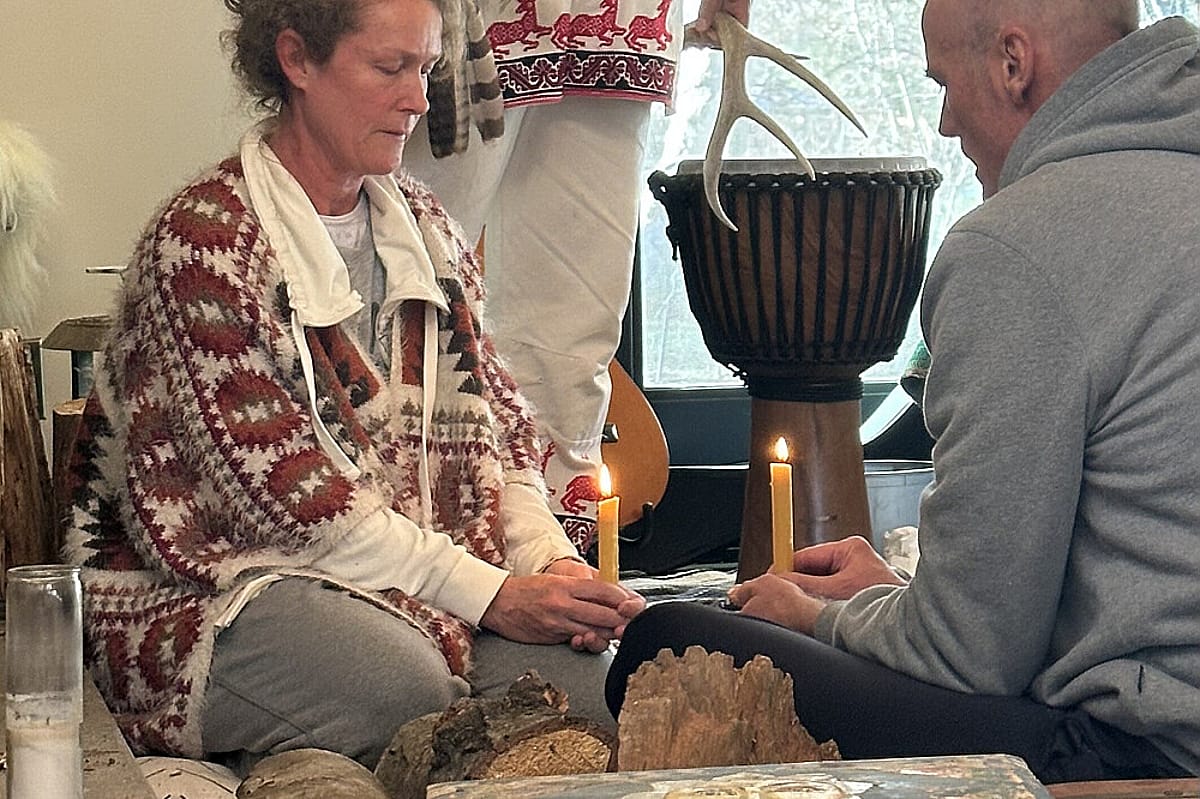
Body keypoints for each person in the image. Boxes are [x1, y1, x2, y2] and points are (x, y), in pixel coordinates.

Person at [607, 0, 1200, 783]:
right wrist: (901, 598)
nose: (948, 123)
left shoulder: (1020, 245)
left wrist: (825, 617)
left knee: (668, 639)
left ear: (1013, 65)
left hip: (1147, 748)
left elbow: (970, 656)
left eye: (945, 85)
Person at [61, 0, 644, 770]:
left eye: (426, 68)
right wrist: (493, 596)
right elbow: (296, 514)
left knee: (588, 686)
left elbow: (505, 440)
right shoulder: (203, 245)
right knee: (398, 687)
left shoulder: (428, 232)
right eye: (390, 68)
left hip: (403, 589)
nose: (419, 100)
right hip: (207, 595)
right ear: (298, 61)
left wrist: (547, 563)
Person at [402, 0, 749, 549]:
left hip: (617, 33)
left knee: (571, 329)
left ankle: (549, 562)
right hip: (468, 17)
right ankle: (394, 553)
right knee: (401, 271)